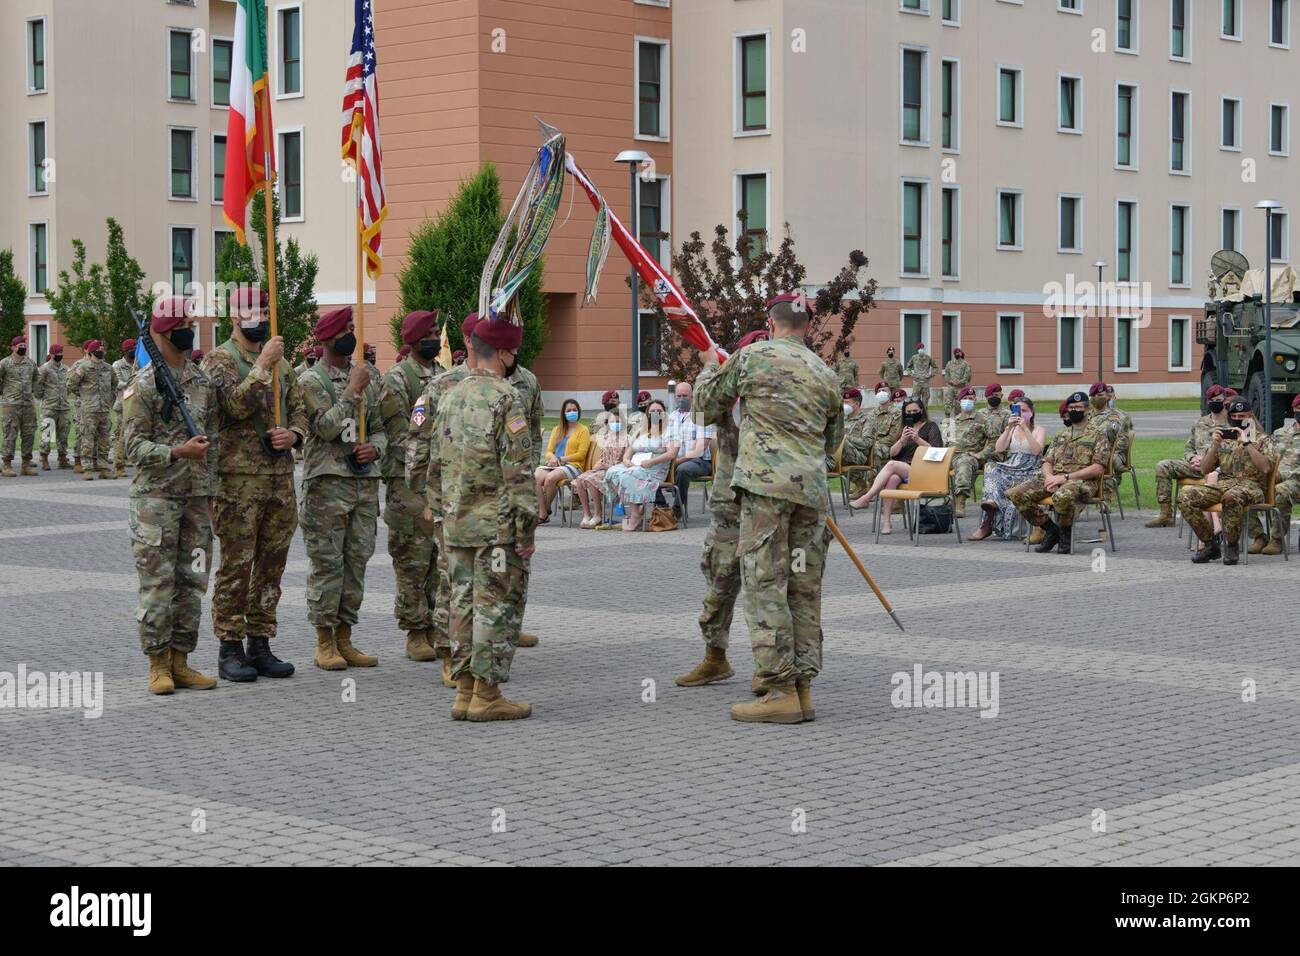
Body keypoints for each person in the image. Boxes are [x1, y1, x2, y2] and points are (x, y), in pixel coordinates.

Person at [693, 293, 841, 724]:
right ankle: (802, 688)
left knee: (765, 586)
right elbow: (833, 445)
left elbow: (705, 408)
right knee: (803, 589)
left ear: (771, 322)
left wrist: (707, 365)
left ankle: (777, 688)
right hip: (811, 495)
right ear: (807, 326)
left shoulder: (750, 358)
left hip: (765, 492)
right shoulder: (826, 373)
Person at [202, 287, 305, 682]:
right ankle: (230, 648)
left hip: (279, 481)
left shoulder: (284, 364)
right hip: (238, 484)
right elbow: (232, 406)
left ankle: (260, 642)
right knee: (236, 567)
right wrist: (262, 363)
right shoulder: (220, 359)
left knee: (271, 567)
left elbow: (298, 408)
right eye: (251, 311)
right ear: (234, 316)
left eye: (264, 309)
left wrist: (293, 434)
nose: (259, 316)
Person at [439, 315, 536, 722]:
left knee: (462, 606)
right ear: (500, 353)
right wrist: (527, 528)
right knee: (495, 607)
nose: (514, 359)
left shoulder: (449, 395)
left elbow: (432, 464)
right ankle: (488, 694)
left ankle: (464, 691)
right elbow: (519, 470)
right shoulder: (505, 398)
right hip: (497, 527)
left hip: (457, 521)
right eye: (512, 352)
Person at [122, 297, 219, 695]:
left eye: (192, 323)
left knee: (193, 581)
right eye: (184, 323)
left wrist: (212, 492)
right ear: (163, 332)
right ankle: (158, 663)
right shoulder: (142, 386)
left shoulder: (200, 381)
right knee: (158, 584)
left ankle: (182, 660)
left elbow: (213, 440)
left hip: (195, 499)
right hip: (156, 502)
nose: (189, 329)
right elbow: (131, 448)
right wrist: (177, 452)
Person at [676, 328, 768, 690]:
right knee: (719, 580)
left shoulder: (780, 394)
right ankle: (715, 657)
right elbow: (700, 412)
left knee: (769, 589)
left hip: (767, 505)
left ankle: (770, 666)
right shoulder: (728, 391)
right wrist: (710, 369)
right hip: (730, 503)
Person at [300, 306, 385, 670]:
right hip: (327, 486)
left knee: (357, 562)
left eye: (353, 328)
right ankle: (325, 641)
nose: (352, 335)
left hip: (363, 483)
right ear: (327, 338)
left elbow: (383, 429)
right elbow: (325, 428)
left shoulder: (367, 376)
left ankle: (346, 637)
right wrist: (350, 392)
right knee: (328, 563)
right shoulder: (312, 381)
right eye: (346, 329)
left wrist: (375, 447)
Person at [407, 311, 480, 686]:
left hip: (488, 503)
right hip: (449, 499)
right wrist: (422, 494)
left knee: (487, 582)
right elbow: (419, 441)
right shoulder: (441, 385)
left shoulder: (507, 384)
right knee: (452, 579)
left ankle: (480, 657)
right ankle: (449, 654)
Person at [379, 309, 445, 664]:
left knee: (436, 559)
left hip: (438, 484)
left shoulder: (443, 376)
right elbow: (400, 435)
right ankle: (415, 631)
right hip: (407, 485)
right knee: (412, 561)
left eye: (437, 331)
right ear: (415, 338)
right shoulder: (398, 379)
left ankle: (435, 624)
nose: (435, 338)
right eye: (430, 332)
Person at [1007, 391, 1107, 555]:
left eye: (1078, 407)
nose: (1074, 410)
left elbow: (1098, 468)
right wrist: (1049, 478)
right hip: (1054, 478)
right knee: (1015, 493)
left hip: (1080, 481)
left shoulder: (1099, 434)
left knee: (1062, 496)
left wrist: (1064, 478)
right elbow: (1047, 462)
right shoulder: (1062, 435)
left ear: (1088, 410)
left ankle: (1065, 535)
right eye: (1071, 407)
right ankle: (1051, 530)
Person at [1179, 398, 1277, 565]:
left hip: (1251, 486)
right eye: (1235, 416)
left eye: (1243, 416)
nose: (1238, 419)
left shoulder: (1262, 439)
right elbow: (1204, 469)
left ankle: (1231, 545)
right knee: (1185, 496)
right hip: (1223, 484)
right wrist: (1215, 446)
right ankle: (1210, 544)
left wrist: (1247, 443)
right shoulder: (1224, 437)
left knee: (1231, 496)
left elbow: (1266, 468)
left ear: (1250, 417)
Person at [849, 397, 943, 532]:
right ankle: (887, 523)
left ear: (921, 410)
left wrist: (917, 439)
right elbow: (892, 453)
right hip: (904, 469)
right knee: (892, 478)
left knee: (892, 465)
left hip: (923, 469)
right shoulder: (903, 429)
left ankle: (867, 497)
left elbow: (937, 451)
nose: (912, 414)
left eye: (915, 411)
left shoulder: (931, 426)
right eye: (908, 412)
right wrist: (902, 440)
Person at [1146, 384, 1233, 527]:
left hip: (1218, 468)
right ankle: (1166, 514)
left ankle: (1213, 524)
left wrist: (1208, 462)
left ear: (1224, 401)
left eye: (1218, 400)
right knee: (1163, 466)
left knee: (1212, 475)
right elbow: (1188, 448)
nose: (1215, 403)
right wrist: (1192, 458)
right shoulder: (1200, 423)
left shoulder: (1231, 423)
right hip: (1195, 465)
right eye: (1211, 400)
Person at [506, 340, 545, 649]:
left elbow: (533, 429)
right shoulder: (465, 382)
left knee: (520, 558)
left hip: (519, 482)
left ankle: (513, 623)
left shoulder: (528, 380)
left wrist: (528, 466)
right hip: (485, 488)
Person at [972, 396, 1046, 541]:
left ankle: (987, 522)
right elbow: (999, 448)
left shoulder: (1039, 430)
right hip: (1012, 464)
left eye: (1024, 410)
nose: (1021, 413)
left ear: (1031, 412)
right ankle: (992, 502)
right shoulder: (1012, 429)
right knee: (990, 466)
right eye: (1017, 410)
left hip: (1030, 468)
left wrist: (1025, 428)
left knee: (996, 474)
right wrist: (1008, 429)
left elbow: (1037, 450)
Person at [605, 398, 679, 531]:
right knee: (611, 473)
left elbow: (671, 454)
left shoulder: (670, 431)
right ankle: (637, 507)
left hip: (654, 469)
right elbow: (629, 452)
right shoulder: (641, 431)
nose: (656, 413)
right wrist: (627, 462)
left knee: (627, 476)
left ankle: (635, 514)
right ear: (647, 414)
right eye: (652, 411)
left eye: (659, 411)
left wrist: (651, 462)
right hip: (636, 466)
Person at [1248, 393, 1300, 555]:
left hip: (1296, 481)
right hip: (1273, 478)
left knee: (1282, 491)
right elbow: (1267, 451)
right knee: (1244, 490)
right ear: (1293, 409)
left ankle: (1277, 540)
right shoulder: (1279, 433)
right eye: (1299, 408)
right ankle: (1258, 536)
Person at [573, 408, 631, 528]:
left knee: (591, 479)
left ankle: (598, 514)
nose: (616, 424)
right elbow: (602, 457)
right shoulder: (606, 438)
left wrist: (608, 466)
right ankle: (587, 514)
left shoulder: (627, 439)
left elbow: (626, 462)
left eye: (618, 421)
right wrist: (598, 465)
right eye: (613, 422)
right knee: (580, 479)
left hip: (616, 472)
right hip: (603, 469)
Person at [535, 398, 591, 522]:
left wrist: (561, 459)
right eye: (569, 410)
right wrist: (553, 457)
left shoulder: (583, 430)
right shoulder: (557, 430)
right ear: (563, 413)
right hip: (555, 464)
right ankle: (543, 511)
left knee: (550, 478)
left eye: (574, 410)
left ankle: (545, 510)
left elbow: (581, 455)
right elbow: (549, 452)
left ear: (579, 411)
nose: (572, 412)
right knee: (536, 477)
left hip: (573, 466)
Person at [66, 339, 115, 479]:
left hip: (104, 410)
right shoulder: (83, 367)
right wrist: (83, 396)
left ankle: (103, 468)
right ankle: (87, 468)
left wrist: (108, 400)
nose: (101, 351)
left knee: (105, 440)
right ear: (92, 352)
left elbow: (114, 384)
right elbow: (70, 384)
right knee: (87, 440)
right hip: (88, 410)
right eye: (98, 349)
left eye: (102, 349)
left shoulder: (108, 368)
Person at [667, 381, 714, 518]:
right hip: (675, 459)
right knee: (651, 469)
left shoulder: (700, 415)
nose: (681, 399)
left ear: (692, 397)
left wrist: (678, 461)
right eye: (678, 396)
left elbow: (701, 447)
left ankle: (677, 508)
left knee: (683, 470)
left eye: (685, 396)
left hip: (699, 461)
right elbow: (667, 441)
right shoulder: (671, 417)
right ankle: (661, 507)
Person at [946, 385, 993, 514]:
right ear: (959, 401)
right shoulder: (952, 421)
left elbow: (994, 441)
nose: (968, 401)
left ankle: (960, 502)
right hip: (951, 456)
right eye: (965, 398)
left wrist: (981, 454)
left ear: (975, 400)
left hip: (971, 456)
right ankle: (941, 500)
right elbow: (946, 443)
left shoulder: (983, 420)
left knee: (964, 462)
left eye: (971, 398)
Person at [0, 335, 40, 477]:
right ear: (13, 347)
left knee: (29, 434)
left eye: (24, 345)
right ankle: (7, 464)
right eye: (20, 345)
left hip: (28, 405)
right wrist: (5, 394)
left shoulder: (31, 363)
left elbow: (36, 379)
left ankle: (26, 464)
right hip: (11, 405)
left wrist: (34, 393)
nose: (23, 347)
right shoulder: (4, 363)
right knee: (10, 434)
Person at [36, 343, 72, 469]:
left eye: (61, 353)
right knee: (47, 433)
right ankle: (44, 458)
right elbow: (38, 386)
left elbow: (70, 384)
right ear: (51, 355)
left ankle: (62, 458)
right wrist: (43, 397)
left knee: (63, 434)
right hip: (49, 406)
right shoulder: (44, 368)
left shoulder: (66, 369)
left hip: (63, 406)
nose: (59, 355)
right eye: (57, 353)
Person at [109, 339, 137, 477]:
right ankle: (118, 463)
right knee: (120, 435)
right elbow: (117, 383)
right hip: (123, 404)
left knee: (135, 434)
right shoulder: (117, 365)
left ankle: (131, 457)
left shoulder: (139, 363)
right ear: (125, 351)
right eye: (132, 349)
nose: (134, 351)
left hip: (138, 404)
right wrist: (131, 383)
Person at [903, 342, 937, 408]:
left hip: (925, 382)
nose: (921, 349)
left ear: (924, 349)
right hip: (917, 382)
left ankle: (926, 417)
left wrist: (931, 375)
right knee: (915, 401)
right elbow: (908, 367)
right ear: (917, 350)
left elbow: (935, 367)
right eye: (919, 348)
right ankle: (916, 417)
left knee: (925, 402)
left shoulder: (928, 358)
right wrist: (912, 375)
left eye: (922, 348)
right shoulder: (914, 357)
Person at [942, 348, 972, 419]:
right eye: (956, 353)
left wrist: (960, 381)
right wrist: (949, 381)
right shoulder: (950, 363)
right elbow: (947, 374)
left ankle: (957, 419)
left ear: (961, 353)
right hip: (951, 387)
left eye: (958, 353)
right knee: (947, 403)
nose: (957, 354)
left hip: (961, 388)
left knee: (958, 405)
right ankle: (947, 419)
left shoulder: (966, 364)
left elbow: (967, 376)